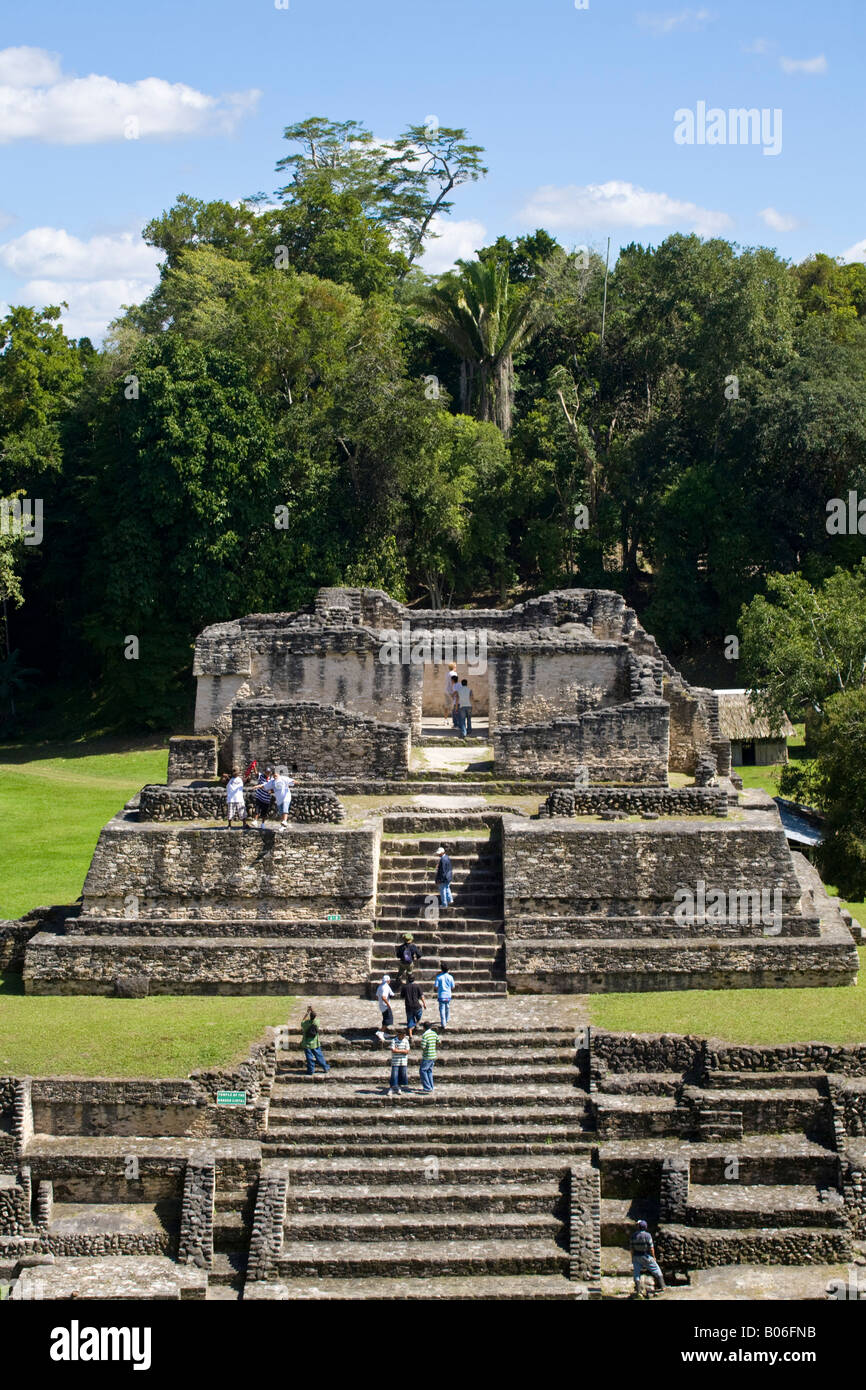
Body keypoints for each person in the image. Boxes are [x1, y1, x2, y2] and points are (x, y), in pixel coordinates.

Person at [630, 1220, 665, 1297]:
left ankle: (638, 1291)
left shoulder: (633, 1235)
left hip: (636, 1256)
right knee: (656, 1269)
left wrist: (632, 1257)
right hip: (646, 1256)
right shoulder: (647, 1235)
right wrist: (654, 1257)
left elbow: (632, 1248)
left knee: (636, 1273)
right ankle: (663, 1286)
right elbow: (651, 1248)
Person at [300, 1006, 330, 1079]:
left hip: (307, 1043)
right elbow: (315, 1017)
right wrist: (312, 1010)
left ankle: (311, 1070)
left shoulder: (306, 1024)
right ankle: (325, 1067)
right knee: (319, 1056)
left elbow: (302, 1021)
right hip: (315, 1043)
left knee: (309, 1058)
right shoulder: (317, 1022)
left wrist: (307, 1012)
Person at [387, 1027, 411, 1095]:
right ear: (399, 1035)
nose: (404, 1036)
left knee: (402, 1075)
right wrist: (402, 1051)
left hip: (403, 1062)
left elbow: (407, 1051)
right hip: (395, 1061)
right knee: (394, 1075)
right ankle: (392, 1088)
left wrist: (398, 1050)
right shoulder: (394, 1040)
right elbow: (393, 1050)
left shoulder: (406, 1041)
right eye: (402, 1035)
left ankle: (399, 1088)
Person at [274, 765, 296, 832]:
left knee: (285, 808)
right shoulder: (273, 780)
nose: (275, 776)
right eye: (274, 775)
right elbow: (267, 785)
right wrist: (259, 786)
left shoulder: (284, 778)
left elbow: (292, 781)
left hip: (286, 797)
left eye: (276, 774)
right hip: (279, 799)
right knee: (281, 812)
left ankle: (284, 822)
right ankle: (283, 825)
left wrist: (294, 781)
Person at [419, 1018, 439, 1093]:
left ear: (424, 1027)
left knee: (423, 1071)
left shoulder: (425, 1035)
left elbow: (423, 1046)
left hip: (427, 1056)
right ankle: (431, 1086)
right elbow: (438, 1041)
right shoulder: (434, 1033)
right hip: (433, 1055)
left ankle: (427, 1087)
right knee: (429, 1071)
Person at [434, 964, 455, 1028]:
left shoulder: (438, 977)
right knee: (447, 1007)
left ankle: (443, 1023)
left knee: (442, 1009)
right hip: (448, 995)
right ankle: (447, 1019)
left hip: (441, 995)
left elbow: (436, 986)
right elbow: (453, 986)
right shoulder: (450, 977)